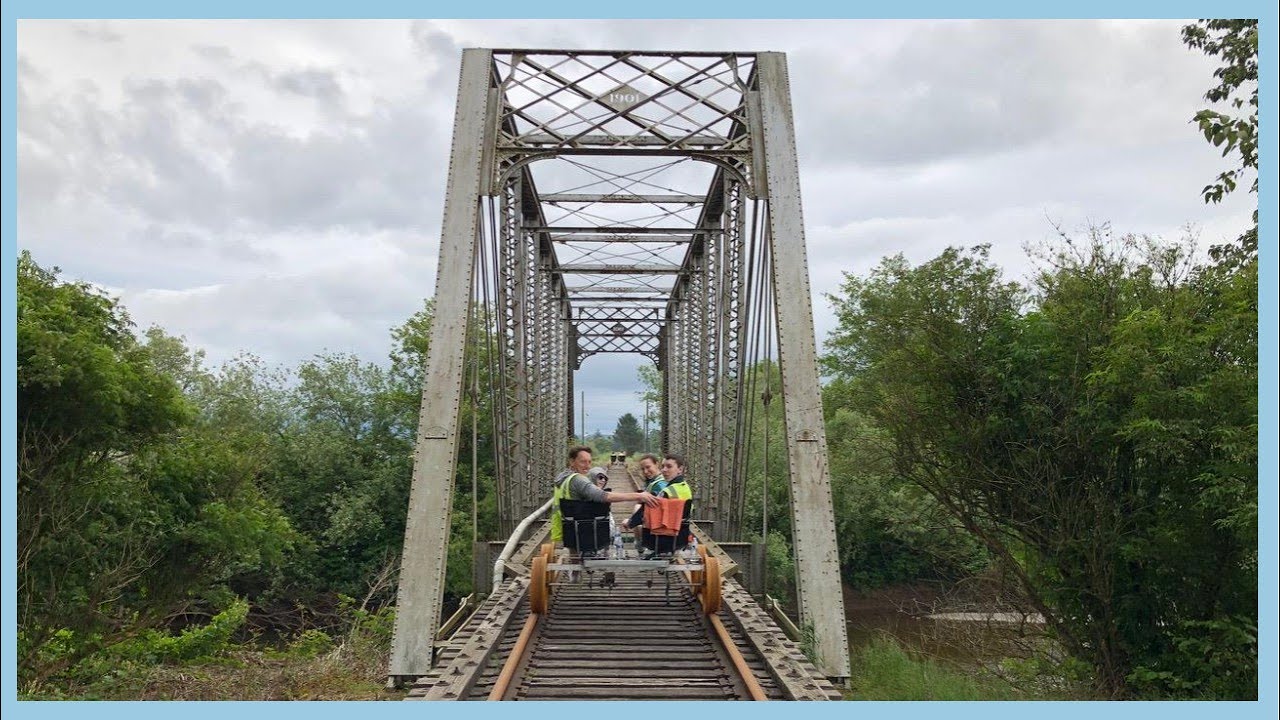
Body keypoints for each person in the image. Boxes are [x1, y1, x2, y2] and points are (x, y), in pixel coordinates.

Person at [549, 446, 658, 546]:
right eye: (583, 462)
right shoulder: (577, 479)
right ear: (572, 462)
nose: (587, 466)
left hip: (569, 528)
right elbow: (604, 496)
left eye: (589, 462)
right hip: (583, 532)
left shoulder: (562, 478)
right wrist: (639, 496)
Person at [620, 454, 666, 542]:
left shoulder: (660, 484)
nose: (645, 471)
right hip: (657, 520)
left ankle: (641, 544)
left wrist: (631, 522)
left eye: (648, 467)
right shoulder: (655, 481)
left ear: (657, 464)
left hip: (658, 523)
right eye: (643, 469)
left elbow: (650, 508)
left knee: (637, 508)